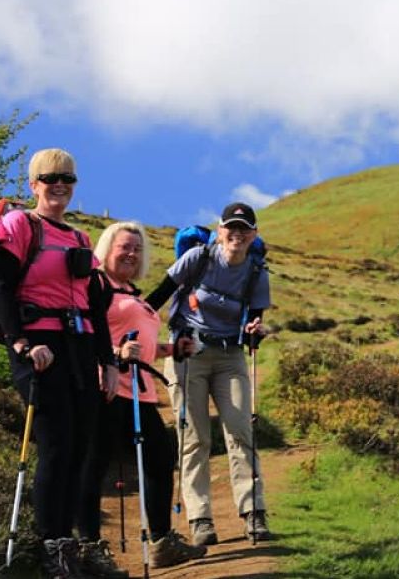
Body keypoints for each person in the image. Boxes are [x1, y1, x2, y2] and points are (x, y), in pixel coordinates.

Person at [0, 148, 121, 578]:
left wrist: (109, 363)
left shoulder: (81, 240)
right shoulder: (20, 226)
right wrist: (22, 344)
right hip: (39, 347)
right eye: (49, 178)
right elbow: (1, 290)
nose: (59, 185)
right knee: (57, 445)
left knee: (80, 447)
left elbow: (95, 308)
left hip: (80, 348)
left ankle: (67, 542)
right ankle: (51, 544)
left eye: (68, 178)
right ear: (33, 185)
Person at [78, 222, 207, 575]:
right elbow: (86, 334)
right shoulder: (97, 285)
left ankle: (162, 542)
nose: (131, 254)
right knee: (94, 465)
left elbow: (143, 346)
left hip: (140, 391)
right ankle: (87, 546)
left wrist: (172, 348)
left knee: (160, 461)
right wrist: (116, 352)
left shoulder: (132, 293)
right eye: (125, 247)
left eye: (137, 249)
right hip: (107, 387)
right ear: (107, 248)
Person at [145, 202, 271, 546]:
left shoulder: (257, 272)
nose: (237, 234)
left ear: (254, 235)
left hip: (231, 357)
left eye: (245, 229)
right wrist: (128, 330)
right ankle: (200, 519)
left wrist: (255, 331)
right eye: (231, 227)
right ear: (220, 231)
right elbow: (157, 297)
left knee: (241, 432)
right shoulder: (198, 258)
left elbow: (253, 319)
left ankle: (254, 513)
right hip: (189, 354)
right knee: (194, 438)